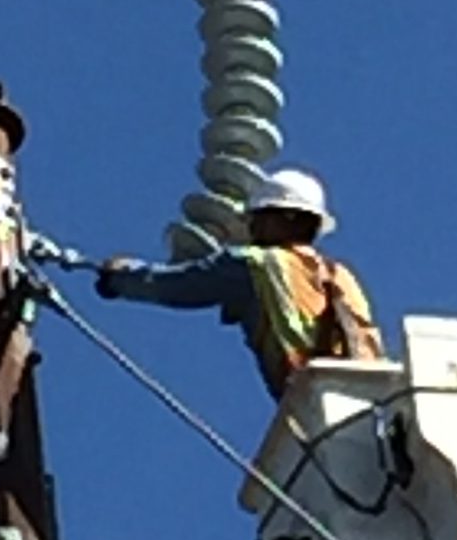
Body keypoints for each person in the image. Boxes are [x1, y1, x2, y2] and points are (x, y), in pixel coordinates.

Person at [96, 165, 384, 399]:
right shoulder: (339, 275)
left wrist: (121, 277)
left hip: (311, 396)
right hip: (369, 396)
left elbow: (182, 285)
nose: (252, 228)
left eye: (259, 218)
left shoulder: (253, 264)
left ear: (287, 217)